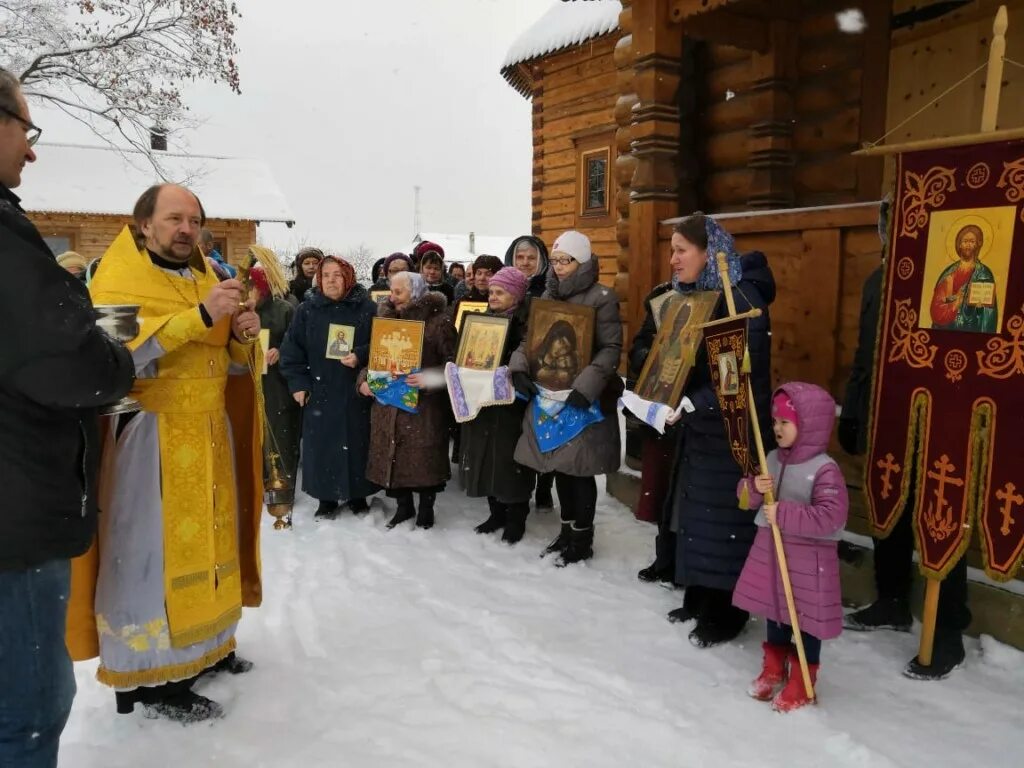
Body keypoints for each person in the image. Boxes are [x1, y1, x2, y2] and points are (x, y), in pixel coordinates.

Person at [81, 183, 264, 722]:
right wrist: (204, 319)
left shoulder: (207, 275)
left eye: (194, 220)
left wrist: (241, 336)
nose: (187, 229)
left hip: (209, 431)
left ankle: (205, 647)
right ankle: (154, 674)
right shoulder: (117, 278)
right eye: (174, 218)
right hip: (151, 438)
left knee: (211, 544)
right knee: (151, 557)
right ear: (144, 224)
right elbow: (113, 362)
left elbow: (222, 353)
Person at [0, 68, 134, 767]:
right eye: (26, 129)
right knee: (24, 714)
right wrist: (115, 356)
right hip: (13, 525)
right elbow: (75, 364)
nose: (32, 150)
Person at [841, 199, 971, 680]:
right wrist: (854, 410)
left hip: (941, 424)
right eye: (886, 227)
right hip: (888, 418)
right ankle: (892, 599)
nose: (890, 236)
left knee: (942, 517)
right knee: (887, 507)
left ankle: (949, 629)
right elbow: (865, 354)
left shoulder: (945, 284)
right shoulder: (879, 281)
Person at [662, 213, 775, 648]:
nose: (672, 259)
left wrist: (695, 400)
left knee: (724, 519)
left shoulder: (737, 298)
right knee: (698, 514)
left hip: (734, 431)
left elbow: (736, 381)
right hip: (702, 428)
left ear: (711, 254)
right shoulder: (698, 295)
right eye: (671, 250)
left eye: (680, 250)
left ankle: (727, 612)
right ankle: (700, 594)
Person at [733, 384, 849, 712]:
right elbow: (743, 500)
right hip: (772, 554)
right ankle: (774, 668)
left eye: (786, 421)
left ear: (809, 424)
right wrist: (753, 487)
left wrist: (783, 513)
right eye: (774, 421)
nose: (777, 428)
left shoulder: (824, 470)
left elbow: (832, 517)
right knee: (776, 612)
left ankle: (803, 680)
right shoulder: (770, 458)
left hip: (808, 562)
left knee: (805, 621)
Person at [509, 231, 622, 565]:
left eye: (566, 260)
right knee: (557, 468)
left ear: (581, 261)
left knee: (579, 470)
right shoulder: (547, 294)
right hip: (548, 396)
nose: (559, 266)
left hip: (581, 400)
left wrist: (585, 388)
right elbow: (531, 340)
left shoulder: (602, 297)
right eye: (556, 260)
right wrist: (518, 368)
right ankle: (566, 531)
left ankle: (582, 537)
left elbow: (610, 348)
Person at [280, 256, 378, 519]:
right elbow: (291, 352)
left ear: (348, 277)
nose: (331, 280)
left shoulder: (367, 309)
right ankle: (326, 498)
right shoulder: (307, 310)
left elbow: (381, 345)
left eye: (337, 275)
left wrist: (360, 354)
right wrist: (299, 384)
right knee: (322, 446)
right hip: (319, 390)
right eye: (326, 275)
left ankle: (358, 495)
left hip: (356, 390)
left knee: (358, 443)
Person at [359, 272, 457, 529]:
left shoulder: (440, 322)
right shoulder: (386, 318)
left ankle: (426, 509)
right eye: (391, 291)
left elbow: (454, 365)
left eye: (398, 292)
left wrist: (431, 378)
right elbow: (374, 357)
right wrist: (364, 382)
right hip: (388, 404)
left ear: (414, 293)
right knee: (394, 458)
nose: (392, 297)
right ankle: (404, 507)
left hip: (423, 408)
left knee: (424, 460)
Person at [460, 267, 536, 543]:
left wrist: (506, 371)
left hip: (511, 404)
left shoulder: (525, 325)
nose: (492, 296)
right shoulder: (480, 321)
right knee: (486, 457)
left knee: (510, 460)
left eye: (499, 292)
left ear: (515, 295)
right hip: (482, 401)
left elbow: (529, 359)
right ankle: (496, 512)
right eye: (491, 291)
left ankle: (516, 517)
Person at [630, 279, 678, 580]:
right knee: (661, 488)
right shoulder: (661, 299)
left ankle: (681, 562)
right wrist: (649, 352)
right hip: (659, 406)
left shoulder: (709, 300)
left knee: (681, 490)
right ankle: (665, 558)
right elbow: (638, 348)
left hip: (687, 409)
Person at [249, 261, 302, 520]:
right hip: (249, 382)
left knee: (280, 437)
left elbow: (296, 344)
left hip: (277, 384)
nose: (250, 295)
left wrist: (280, 351)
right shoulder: (239, 313)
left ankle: (281, 489)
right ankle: (255, 485)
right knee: (253, 436)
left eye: (254, 288)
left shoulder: (284, 310)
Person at [928, 224, 997, 333]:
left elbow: (988, 315)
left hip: (971, 330)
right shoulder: (949, 273)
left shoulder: (984, 274)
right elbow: (937, 305)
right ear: (959, 244)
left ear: (977, 245)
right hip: (947, 330)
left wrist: (980, 308)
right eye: (965, 241)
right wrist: (955, 301)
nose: (968, 245)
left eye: (972, 241)